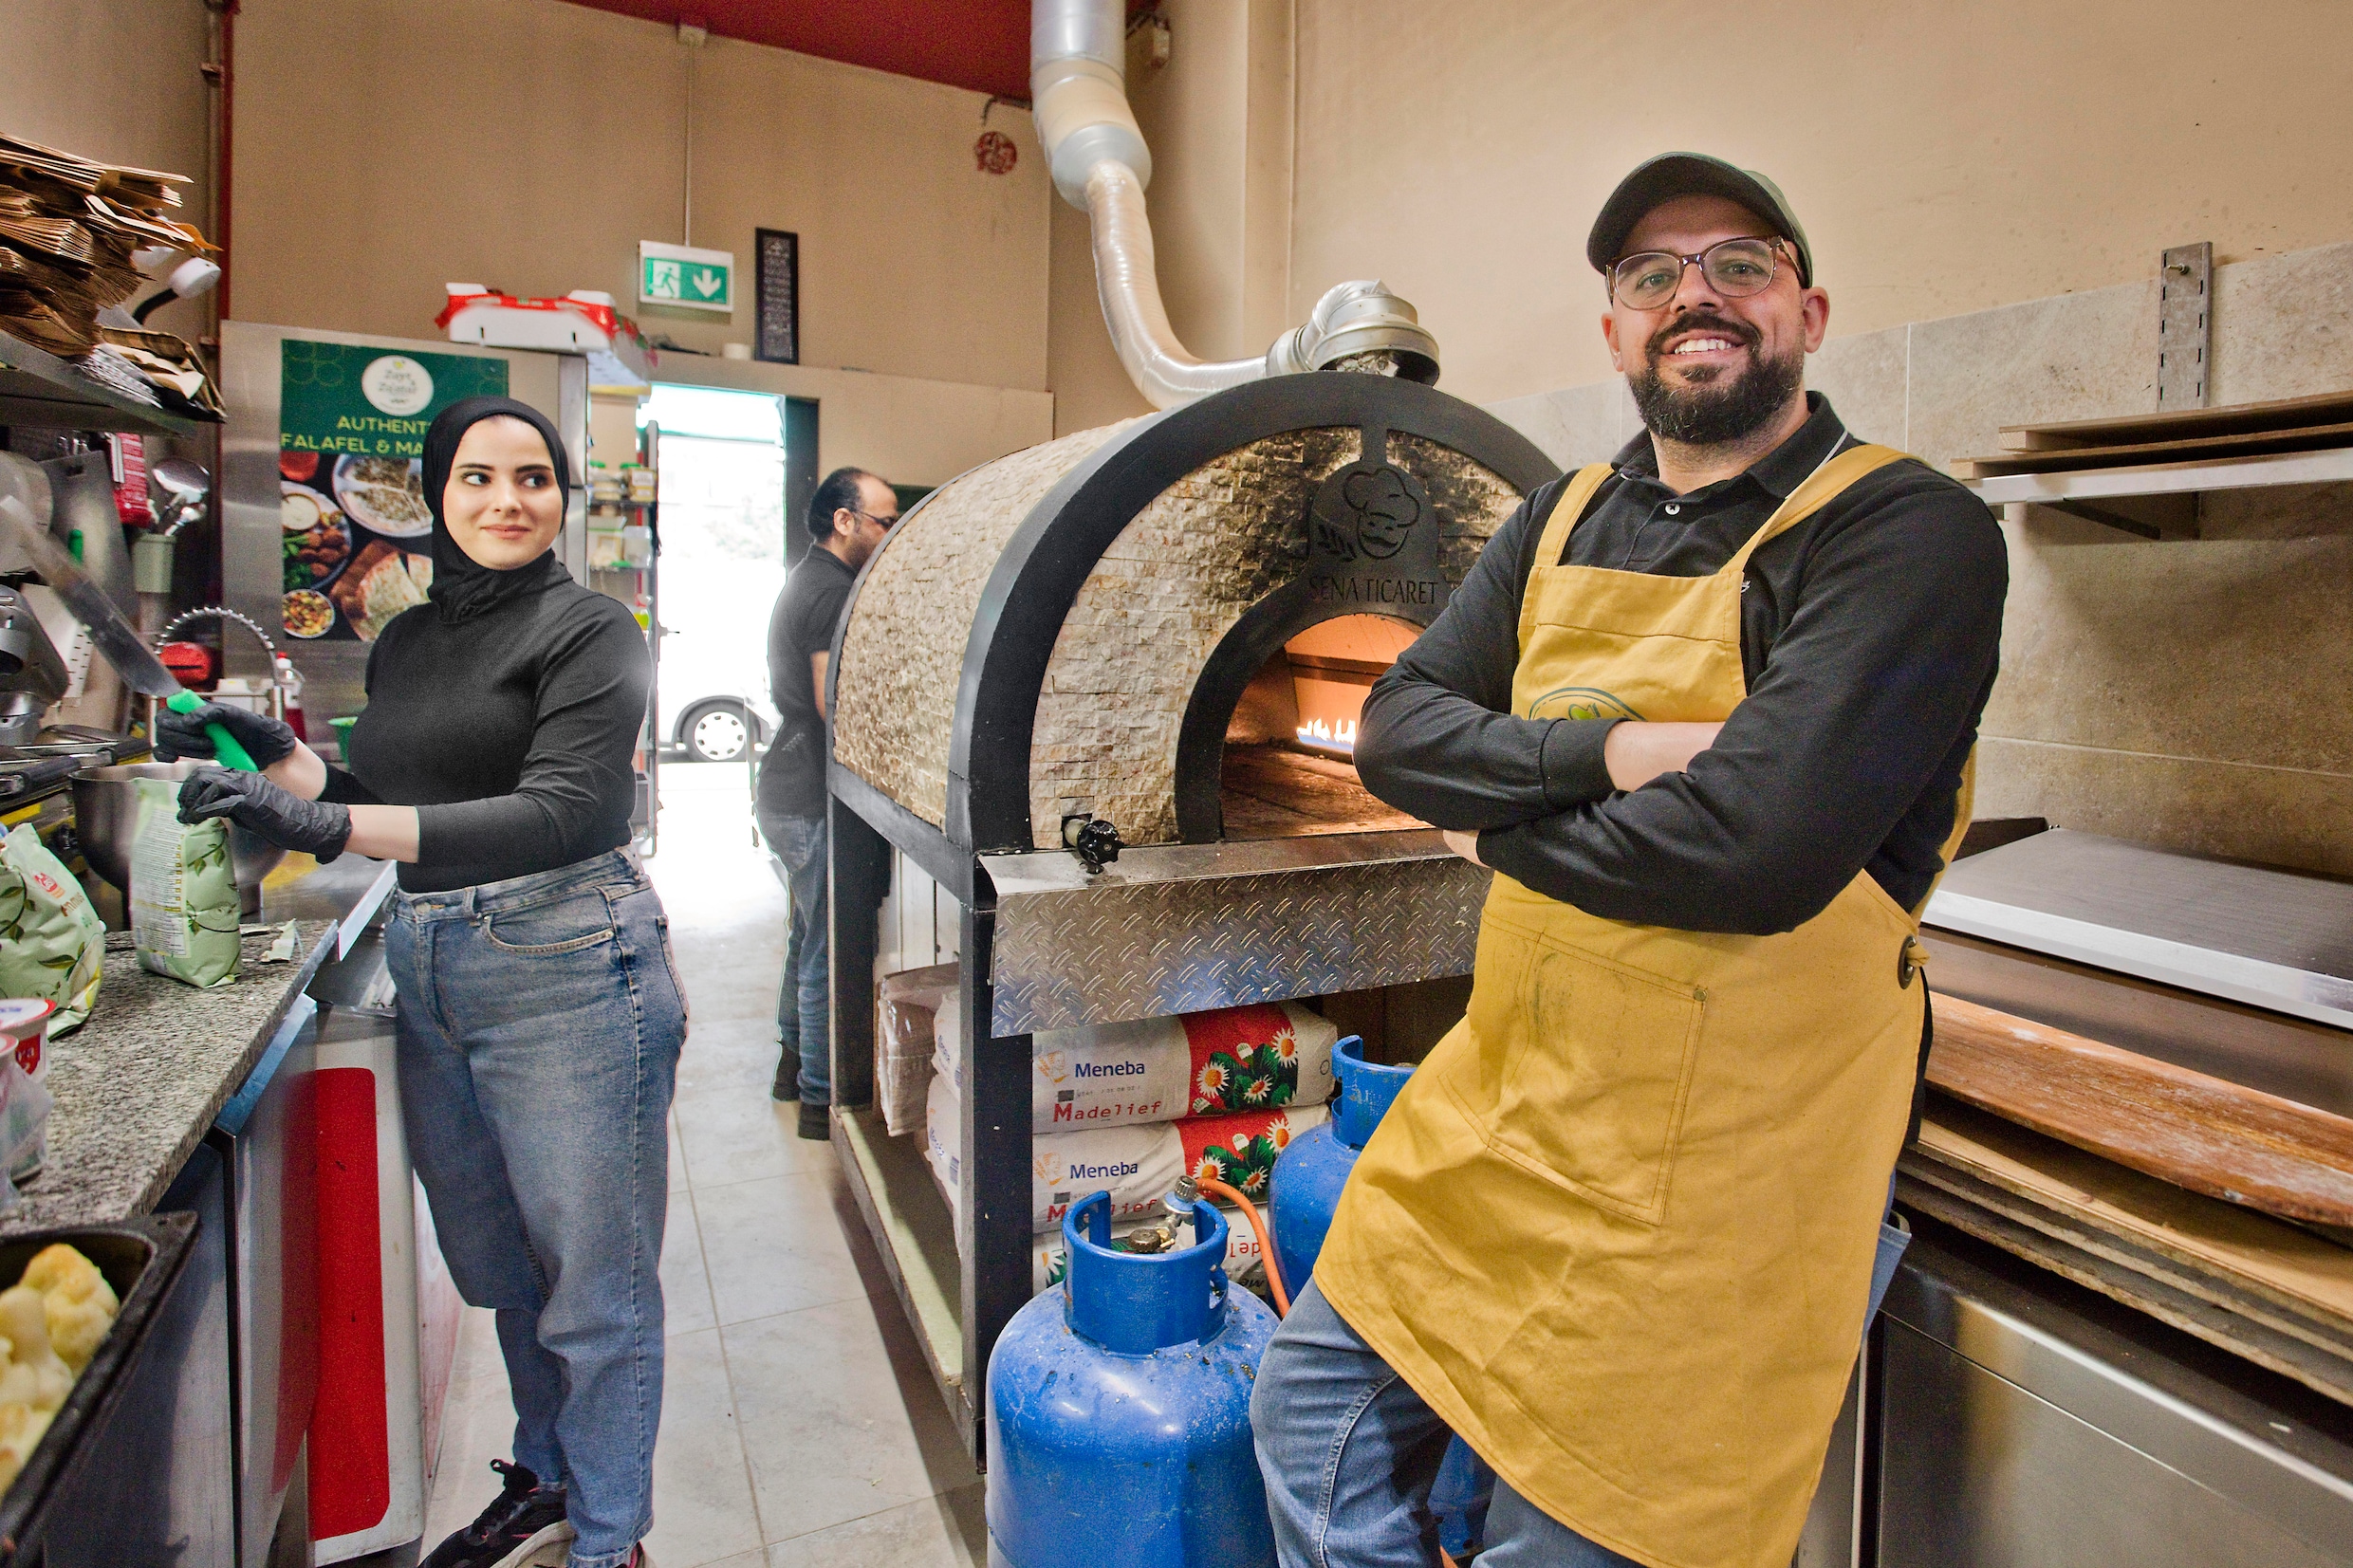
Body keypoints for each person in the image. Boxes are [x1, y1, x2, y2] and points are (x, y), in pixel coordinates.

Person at [1251, 154, 2009, 1568]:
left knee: (1575, 1536)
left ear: (1809, 308)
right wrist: (1611, 754)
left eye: (1739, 263)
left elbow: (1751, 850)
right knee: (1306, 1421)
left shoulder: (1903, 530)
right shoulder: (1556, 520)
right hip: (1503, 1116)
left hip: (1717, 1193)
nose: (1694, 297)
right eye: (1652, 276)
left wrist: (1489, 822)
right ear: (1615, 330)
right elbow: (1400, 733)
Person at [161, 397, 682, 1568]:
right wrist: (256, 750)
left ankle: (610, 1545)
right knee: (499, 1266)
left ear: (563, 495)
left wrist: (323, 819)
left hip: (568, 963)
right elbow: (370, 780)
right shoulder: (405, 635)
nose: (509, 501)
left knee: (593, 1295)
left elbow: (564, 811)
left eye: (535, 478)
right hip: (432, 957)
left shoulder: (592, 629)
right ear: (438, 492)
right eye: (479, 477)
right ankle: (549, 1480)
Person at [754, 466, 899, 1137]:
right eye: (884, 520)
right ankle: (821, 1097)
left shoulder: (806, 576)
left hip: (787, 784)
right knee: (826, 948)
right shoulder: (830, 590)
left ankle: (793, 1068)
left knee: (806, 935)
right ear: (845, 520)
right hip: (810, 791)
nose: (889, 532)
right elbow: (828, 702)